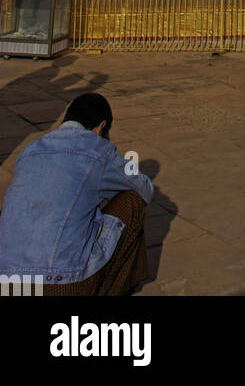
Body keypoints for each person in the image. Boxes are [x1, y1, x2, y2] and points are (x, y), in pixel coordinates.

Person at [0, 91, 154, 295]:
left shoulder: (30, 149)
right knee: (131, 200)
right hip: (61, 282)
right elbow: (144, 188)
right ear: (101, 126)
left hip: (7, 281)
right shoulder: (99, 150)